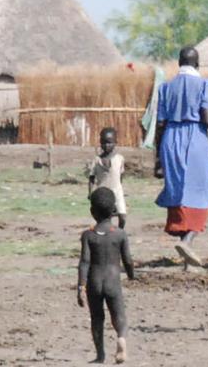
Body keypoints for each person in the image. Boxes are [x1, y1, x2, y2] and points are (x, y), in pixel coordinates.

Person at [154, 47, 208, 266]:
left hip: (170, 140)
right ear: (197, 64)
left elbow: (160, 124)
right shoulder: (204, 85)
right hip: (194, 141)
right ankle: (188, 241)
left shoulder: (165, 88)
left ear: (179, 62)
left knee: (180, 192)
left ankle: (186, 254)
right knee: (201, 194)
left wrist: (158, 158)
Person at [77, 187, 135, 364]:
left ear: (92, 212)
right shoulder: (119, 234)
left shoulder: (88, 235)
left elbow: (84, 262)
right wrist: (132, 276)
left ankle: (100, 355)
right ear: (114, 211)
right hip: (113, 281)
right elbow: (128, 260)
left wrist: (81, 286)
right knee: (119, 315)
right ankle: (121, 340)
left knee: (97, 318)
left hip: (94, 282)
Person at [89, 127, 127, 229]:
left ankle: (119, 233)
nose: (107, 145)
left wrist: (119, 188)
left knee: (122, 216)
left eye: (110, 142)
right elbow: (92, 178)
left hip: (116, 191)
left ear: (115, 142)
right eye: (104, 142)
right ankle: (105, 234)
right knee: (103, 217)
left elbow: (121, 175)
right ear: (100, 142)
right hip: (102, 192)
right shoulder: (97, 160)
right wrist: (91, 193)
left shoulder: (119, 159)